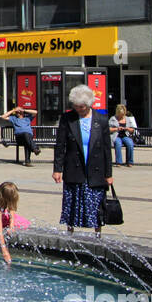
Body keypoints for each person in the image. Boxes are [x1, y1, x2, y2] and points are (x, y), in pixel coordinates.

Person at [52, 84, 114, 235]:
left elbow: (107, 149)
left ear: (88, 105)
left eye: (81, 107)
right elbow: (60, 145)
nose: (78, 110)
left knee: (96, 202)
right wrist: (57, 169)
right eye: (75, 106)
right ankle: (70, 232)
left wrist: (109, 173)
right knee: (72, 201)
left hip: (95, 167)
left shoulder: (101, 120)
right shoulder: (67, 119)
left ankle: (97, 233)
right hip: (74, 166)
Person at [0, 181, 30, 266]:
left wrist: (11, 224)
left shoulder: (1, 196)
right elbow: (0, 232)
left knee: (23, 222)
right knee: (22, 224)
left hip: (3, 216)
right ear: (6, 198)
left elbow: (11, 208)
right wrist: (4, 251)